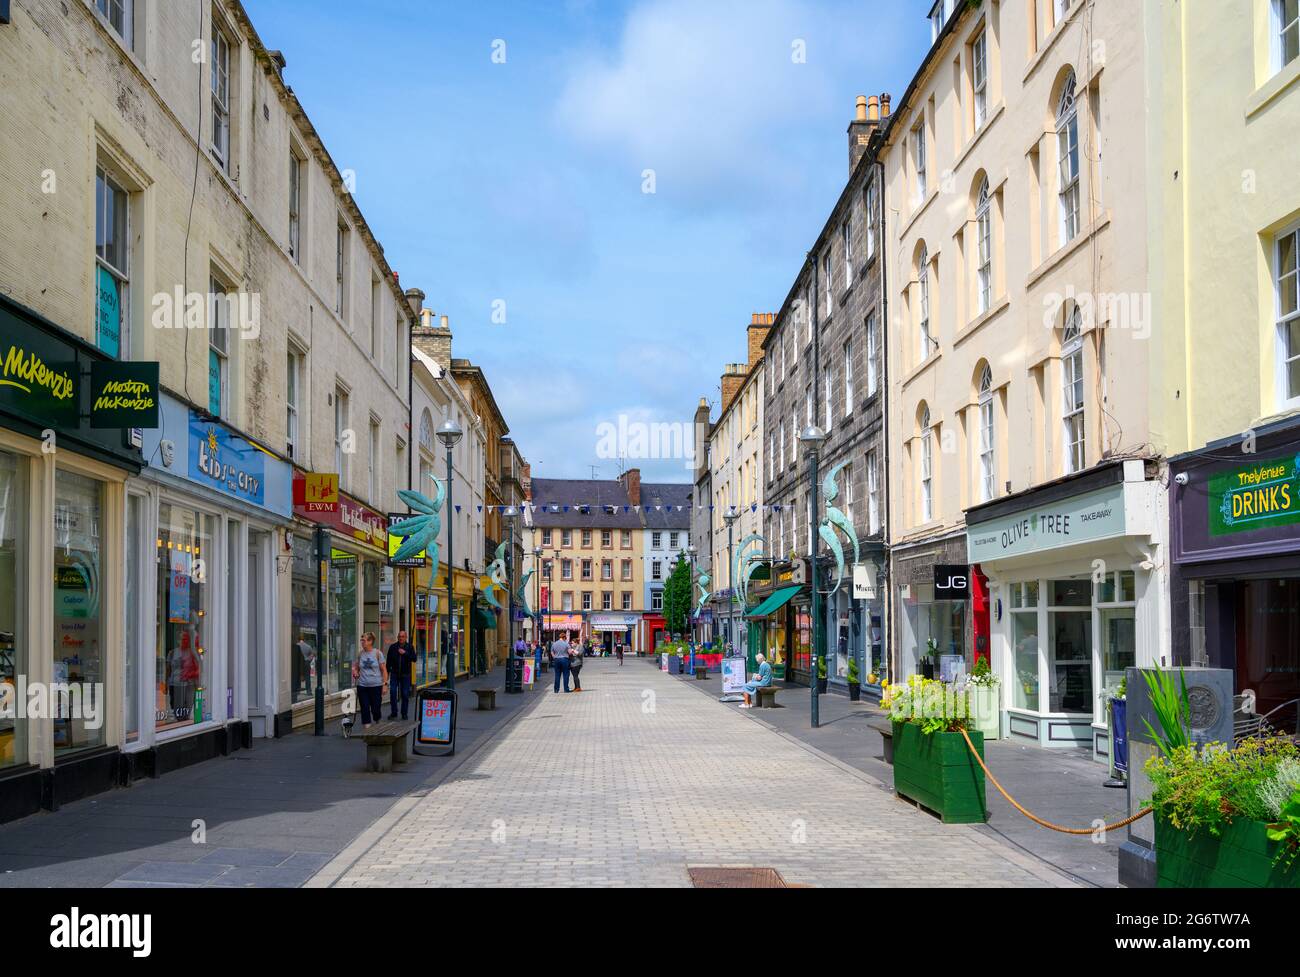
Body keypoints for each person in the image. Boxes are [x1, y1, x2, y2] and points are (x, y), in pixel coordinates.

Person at [352, 632, 388, 729]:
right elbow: (356, 667)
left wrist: (385, 684)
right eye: (361, 640)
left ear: (370, 641)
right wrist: (355, 672)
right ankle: (367, 730)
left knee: (375, 708)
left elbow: (384, 670)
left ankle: (377, 720)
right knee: (364, 708)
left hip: (376, 686)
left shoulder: (377, 653)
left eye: (364, 640)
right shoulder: (360, 654)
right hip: (362, 685)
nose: (362, 642)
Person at [386, 630, 417, 720]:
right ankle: (394, 712)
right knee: (393, 692)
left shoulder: (410, 647)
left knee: (405, 694)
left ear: (406, 637)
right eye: (399, 636)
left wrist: (405, 653)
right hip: (394, 674)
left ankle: (404, 713)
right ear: (397, 637)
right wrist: (387, 673)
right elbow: (389, 661)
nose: (401, 638)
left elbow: (414, 659)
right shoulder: (393, 647)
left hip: (405, 674)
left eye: (403, 636)